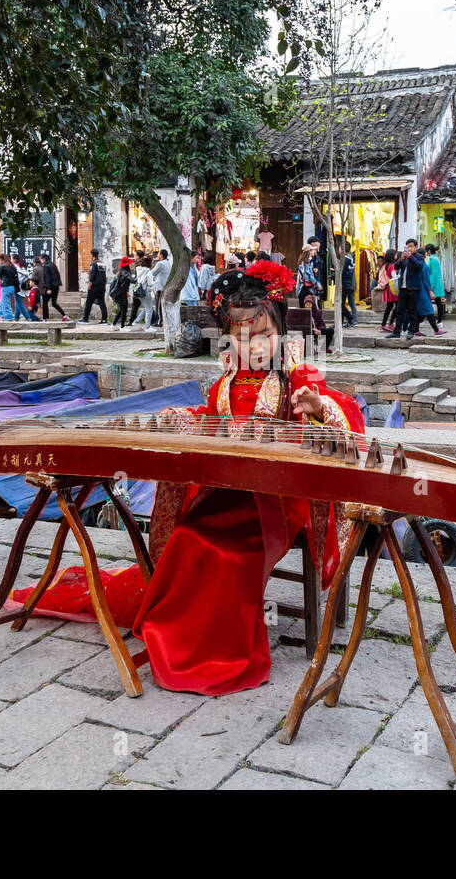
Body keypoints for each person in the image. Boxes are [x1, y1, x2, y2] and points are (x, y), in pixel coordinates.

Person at [122, 261, 365, 694]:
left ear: (281, 334)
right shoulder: (225, 384)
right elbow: (209, 419)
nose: (254, 345)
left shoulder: (296, 379)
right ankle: (180, 636)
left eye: (264, 335)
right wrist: (178, 416)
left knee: (229, 554)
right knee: (186, 539)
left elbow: (344, 413)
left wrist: (315, 407)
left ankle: (218, 651)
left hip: (275, 502)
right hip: (225, 495)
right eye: (242, 337)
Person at [82, 249, 109, 322]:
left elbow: (92, 275)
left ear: (92, 255)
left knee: (89, 302)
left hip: (94, 286)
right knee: (102, 302)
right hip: (102, 286)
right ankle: (104, 319)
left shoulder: (93, 264)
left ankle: (85, 319)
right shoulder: (102, 264)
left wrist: (90, 284)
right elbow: (104, 275)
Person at [376, 250, 399, 331]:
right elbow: (394, 277)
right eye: (395, 254)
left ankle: (383, 324)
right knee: (398, 306)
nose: (396, 255)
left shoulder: (385, 265)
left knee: (389, 307)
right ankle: (391, 323)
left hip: (387, 288)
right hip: (393, 288)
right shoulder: (392, 266)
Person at [424, 244, 446, 326]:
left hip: (435, 285)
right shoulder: (433, 259)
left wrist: (431, 286)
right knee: (437, 303)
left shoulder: (433, 260)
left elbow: (434, 274)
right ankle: (439, 321)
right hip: (436, 285)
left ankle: (439, 321)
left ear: (429, 251)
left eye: (426, 251)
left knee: (437, 303)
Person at [0, 253, 21, 321]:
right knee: (2, 301)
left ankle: (9, 318)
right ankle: (0, 314)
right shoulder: (13, 266)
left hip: (5, 286)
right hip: (12, 287)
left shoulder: (2, 266)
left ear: (2, 259)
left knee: (6, 302)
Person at [110, 257, 134, 328]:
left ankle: (113, 325)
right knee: (124, 310)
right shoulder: (126, 273)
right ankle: (122, 327)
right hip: (122, 293)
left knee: (121, 310)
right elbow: (133, 280)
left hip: (120, 293)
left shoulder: (120, 272)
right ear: (127, 265)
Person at [341, 250, 357, 327]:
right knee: (350, 302)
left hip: (347, 284)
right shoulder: (351, 259)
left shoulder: (346, 259)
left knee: (342, 303)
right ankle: (352, 319)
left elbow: (344, 272)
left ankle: (351, 319)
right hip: (350, 284)